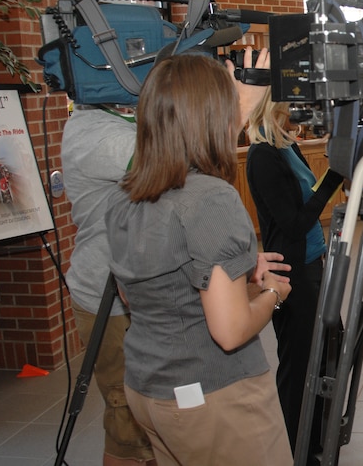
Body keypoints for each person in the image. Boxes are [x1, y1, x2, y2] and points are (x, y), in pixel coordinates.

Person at [105, 50, 294, 466]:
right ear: (214, 118)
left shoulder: (124, 197)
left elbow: (148, 293)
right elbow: (229, 331)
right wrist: (273, 294)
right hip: (213, 399)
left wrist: (236, 272)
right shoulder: (211, 199)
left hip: (149, 391)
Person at [245, 92, 343, 462]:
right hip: (290, 272)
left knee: (328, 347)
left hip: (312, 263)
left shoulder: (287, 145)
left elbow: (309, 197)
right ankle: (295, 446)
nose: (303, 118)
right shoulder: (263, 157)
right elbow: (295, 221)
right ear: (279, 109)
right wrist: (334, 179)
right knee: (299, 362)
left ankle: (315, 437)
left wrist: (328, 182)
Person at [61, 103, 157, 466]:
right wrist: (234, 111)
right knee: (127, 424)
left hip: (144, 293)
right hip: (108, 299)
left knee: (158, 419)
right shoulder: (93, 129)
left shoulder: (135, 119)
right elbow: (170, 165)